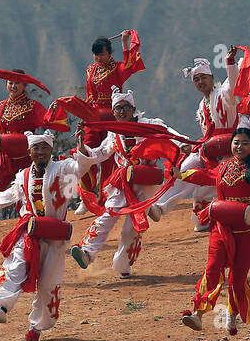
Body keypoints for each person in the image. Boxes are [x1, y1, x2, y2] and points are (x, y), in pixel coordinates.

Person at [0, 128, 103, 341]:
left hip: (54, 237)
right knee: (13, 268)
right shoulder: (23, 176)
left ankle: (37, 326)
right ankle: (0, 307)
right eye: (36, 148)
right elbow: (8, 196)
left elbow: (81, 167)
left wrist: (81, 148)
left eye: (45, 147)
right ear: (29, 152)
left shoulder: (63, 170)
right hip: (29, 233)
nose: (41, 152)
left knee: (47, 286)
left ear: (51, 150)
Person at [180, 124, 250, 335]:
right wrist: (180, 175)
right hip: (222, 227)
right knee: (212, 268)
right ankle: (198, 314)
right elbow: (204, 176)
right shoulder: (223, 167)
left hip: (248, 230)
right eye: (236, 143)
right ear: (230, 145)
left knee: (237, 278)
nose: (240, 147)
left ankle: (231, 315)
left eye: (245, 143)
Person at [71, 90, 186, 277]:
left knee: (130, 230)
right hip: (122, 181)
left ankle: (122, 264)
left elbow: (168, 133)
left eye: (126, 107)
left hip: (145, 183)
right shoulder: (113, 133)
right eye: (118, 108)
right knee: (109, 213)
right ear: (113, 112)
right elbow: (100, 154)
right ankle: (87, 252)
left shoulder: (148, 125)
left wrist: (182, 145)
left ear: (133, 109)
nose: (122, 111)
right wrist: (82, 146)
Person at [150, 51, 250, 229]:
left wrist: (230, 62)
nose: (200, 82)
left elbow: (234, 83)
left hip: (230, 149)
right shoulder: (201, 105)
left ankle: (223, 214)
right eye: (196, 79)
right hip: (209, 149)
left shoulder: (223, 94)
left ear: (212, 77)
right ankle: (161, 206)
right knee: (184, 168)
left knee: (206, 190)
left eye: (203, 77)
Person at [0, 70, 67, 231]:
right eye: (10, 83)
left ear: (25, 85)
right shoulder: (2, 105)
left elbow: (46, 119)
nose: (13, 86)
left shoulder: (33, 106)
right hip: (4, 154)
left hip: (25, 155)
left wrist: (54, 110)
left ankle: (29, 223)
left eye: (17, 83)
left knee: (25, 190)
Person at [78, 32, 145, 213]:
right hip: (93, 117)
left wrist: (125, 43)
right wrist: (85, 114)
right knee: (86, 151)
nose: (98, 58)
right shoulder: (90, 69)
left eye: (102, 54)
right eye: (96, 54)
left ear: (110, 53)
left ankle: (104, 198)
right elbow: (89, 95)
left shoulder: (117, 68)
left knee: (108, 158)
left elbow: (131, 65)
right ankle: (86, 196)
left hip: (114, 116)